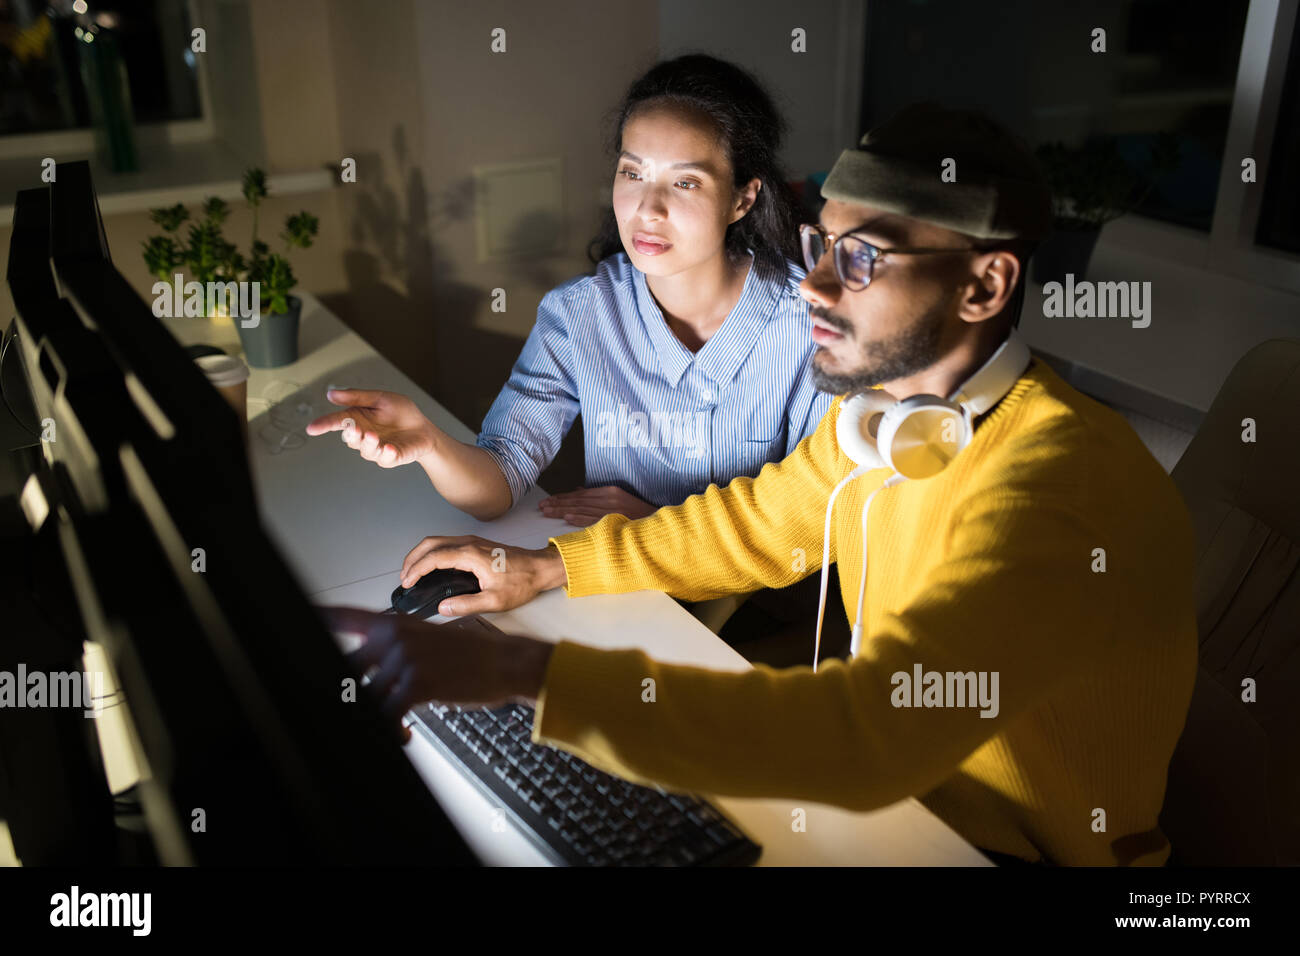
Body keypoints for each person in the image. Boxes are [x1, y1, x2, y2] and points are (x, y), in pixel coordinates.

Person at [323, 104, 1198, 866]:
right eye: (822, 245)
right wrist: (543, 570)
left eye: (862, 260)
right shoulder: (884, 423)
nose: (815, 285)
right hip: (897, 811)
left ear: (984, 283)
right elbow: (748, 526)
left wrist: (521, 670)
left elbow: (868, 734)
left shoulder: (1053, 485)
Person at [305, 55, 830, 534]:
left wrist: (661, 527)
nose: (648, 208)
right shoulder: (580, 314)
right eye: (633, 173)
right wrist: (430, 442)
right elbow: (502, 476)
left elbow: (817, 513)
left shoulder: (810, 323)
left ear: (742, 198)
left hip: (750, 612)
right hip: (621, 590)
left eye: (685, 183)